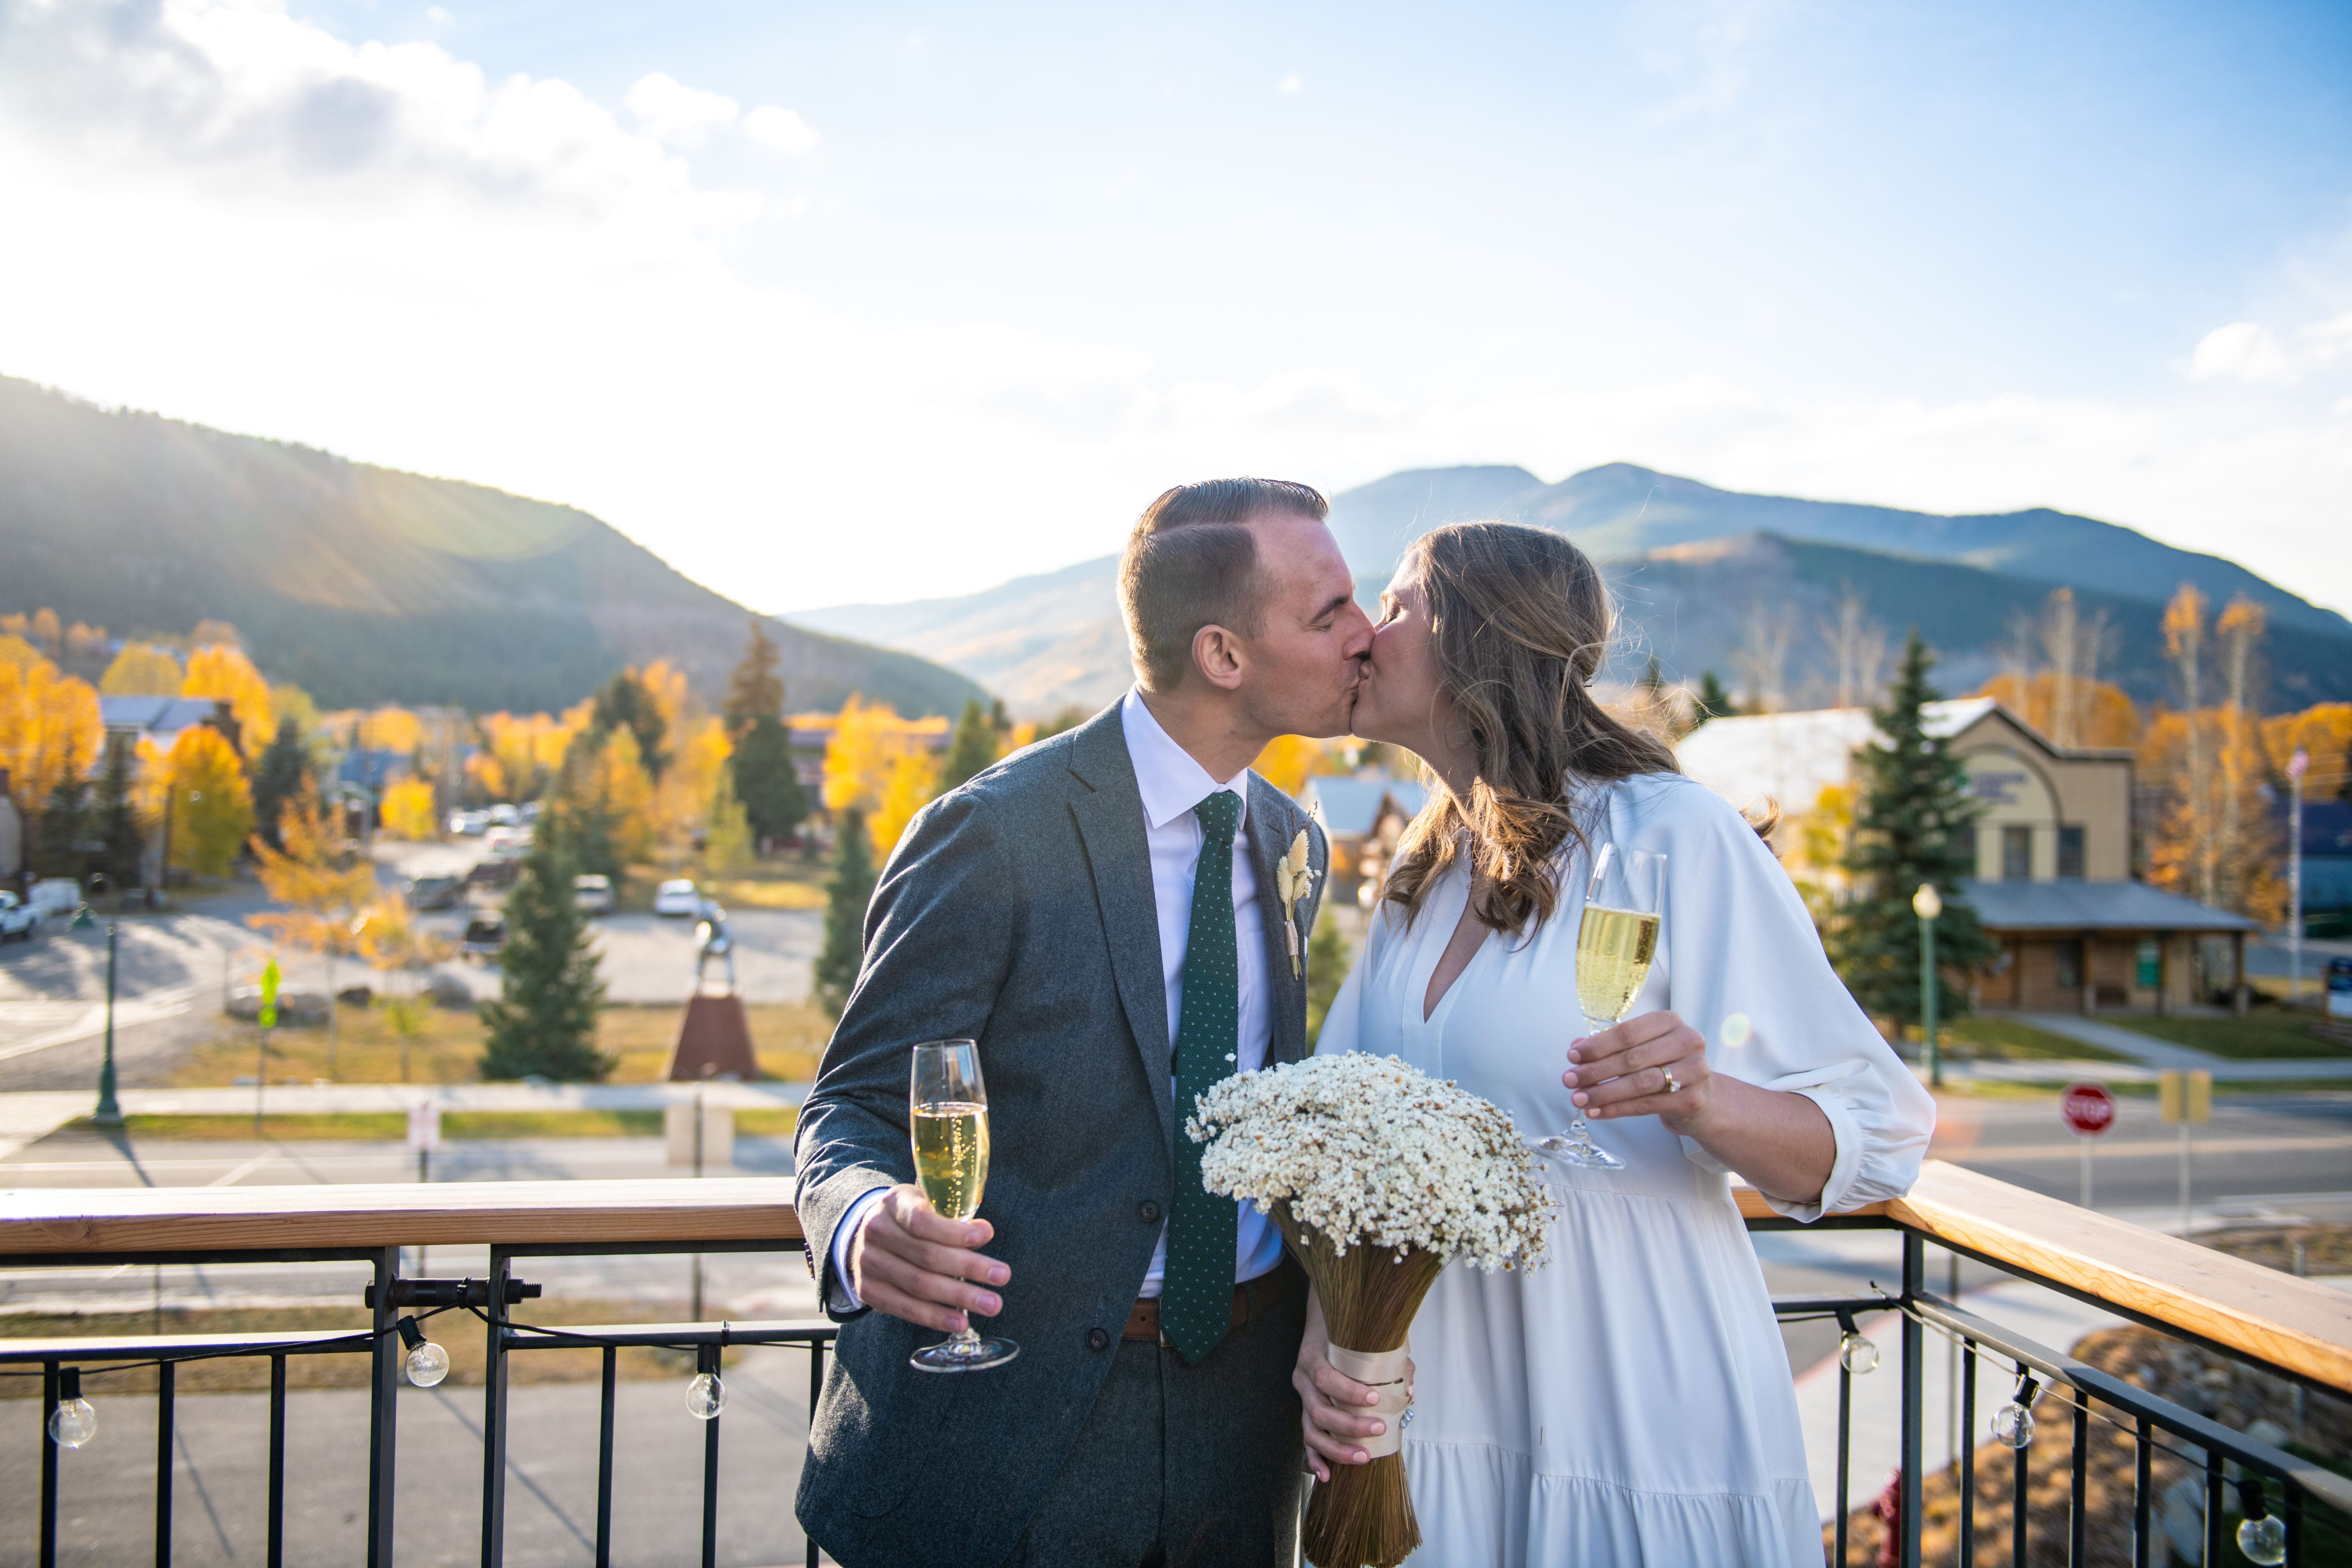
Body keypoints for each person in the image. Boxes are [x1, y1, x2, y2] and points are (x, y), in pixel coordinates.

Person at [1302, 521, 1936, 1565]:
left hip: (1629, 1382)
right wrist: (1324, 1347)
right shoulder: (1424, 870)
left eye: (1400, 603)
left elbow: (1872, 1135)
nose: (1369, 631)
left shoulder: (1670, 835)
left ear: (1480, 642)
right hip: (1443, 1391)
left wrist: (1704, 1098)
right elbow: (1344, 1132)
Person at [793, 478, 1374, 1567]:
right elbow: (852, 1103)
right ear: (1224, 655)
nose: (1367, 635)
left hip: (1241, 1427)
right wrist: (862, 1216)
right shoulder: (992, 833)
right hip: (1010, 1425)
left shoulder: (1293, 839)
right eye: (1329, 611)